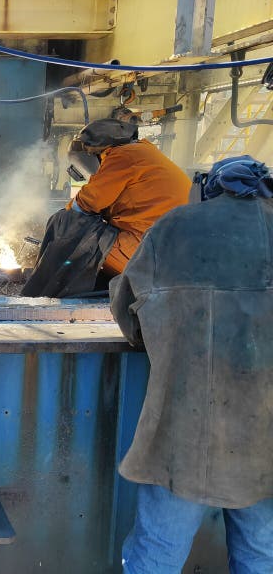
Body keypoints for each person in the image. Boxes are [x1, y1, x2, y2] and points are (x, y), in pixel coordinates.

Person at [110, 155, 273, 573]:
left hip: (185, 426)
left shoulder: (175, 227)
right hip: (266, 434)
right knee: (262, 553)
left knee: (158, 551)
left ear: (208, 188)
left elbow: (128, 308)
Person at [22, 118, 191, 297]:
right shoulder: (144, 152)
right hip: (172, 260)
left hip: (143, 257)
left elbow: (87, 203)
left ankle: (46, 290)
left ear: (96, 152)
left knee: (65, 221)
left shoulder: (122, 156)